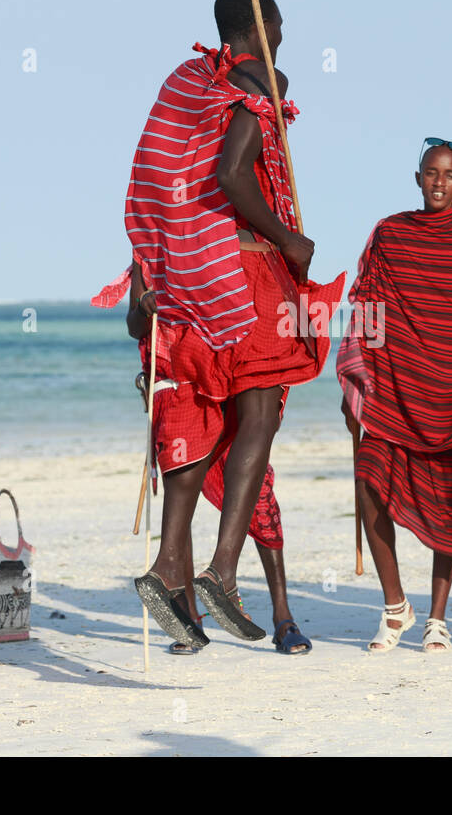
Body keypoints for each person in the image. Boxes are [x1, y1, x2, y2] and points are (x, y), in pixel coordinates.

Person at [123, 0, 343, 645]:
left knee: (207, 420)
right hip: (244, 272)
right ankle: (220, 568)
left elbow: (159, 178)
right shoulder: (259, 83)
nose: (282, 38)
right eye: (278, 25)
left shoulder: (187, 83)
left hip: (190, 279)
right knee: (260, 411)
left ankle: (168, 565)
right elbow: (231, 174)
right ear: (262, 25)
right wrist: (287, 238)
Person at [338, 140, 452, 652]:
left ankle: (437, 618)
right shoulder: (390, 234)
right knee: (369, 481)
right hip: (394, 390)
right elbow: (367, 309)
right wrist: (355, 382)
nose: (440, 182)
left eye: (450, 174)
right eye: (431, 173)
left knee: (446, 507)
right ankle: (395, 608)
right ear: (417, 178)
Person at [107, 262, 312, 654]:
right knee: (181, 489)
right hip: (179, 382)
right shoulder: (147, 252)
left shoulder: (215, 239)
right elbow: (134, 325)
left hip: (230, 379)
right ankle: (189, 615)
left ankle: (282, 616)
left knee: (259, 493)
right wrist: (146, 305)